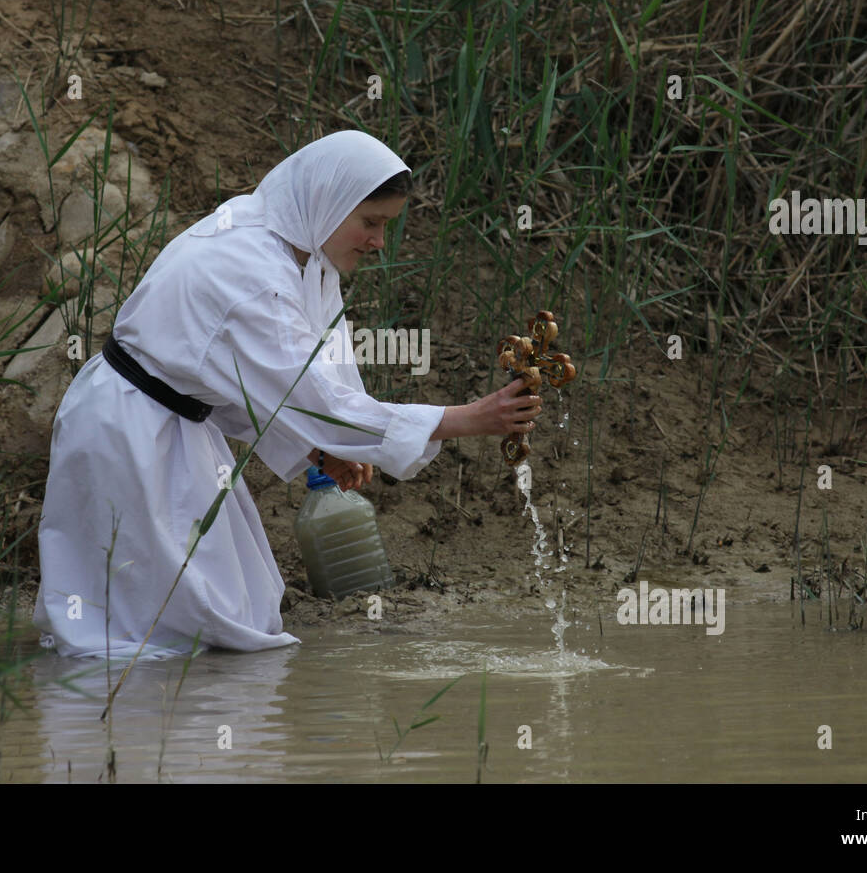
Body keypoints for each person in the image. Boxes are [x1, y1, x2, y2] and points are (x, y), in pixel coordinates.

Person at [34, 130, 542, 659]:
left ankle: (160, 719)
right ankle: (121, 726)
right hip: (128, 429)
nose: (378, 242)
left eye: (385, 226)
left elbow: (285, 377)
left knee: (229, 610)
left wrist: (323, 448)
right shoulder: (252, 270)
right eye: (370, 223)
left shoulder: (299, 252)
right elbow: (312, 396)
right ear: (330, 202)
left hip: (173, 423)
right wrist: (467, 418)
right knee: (154, 629)